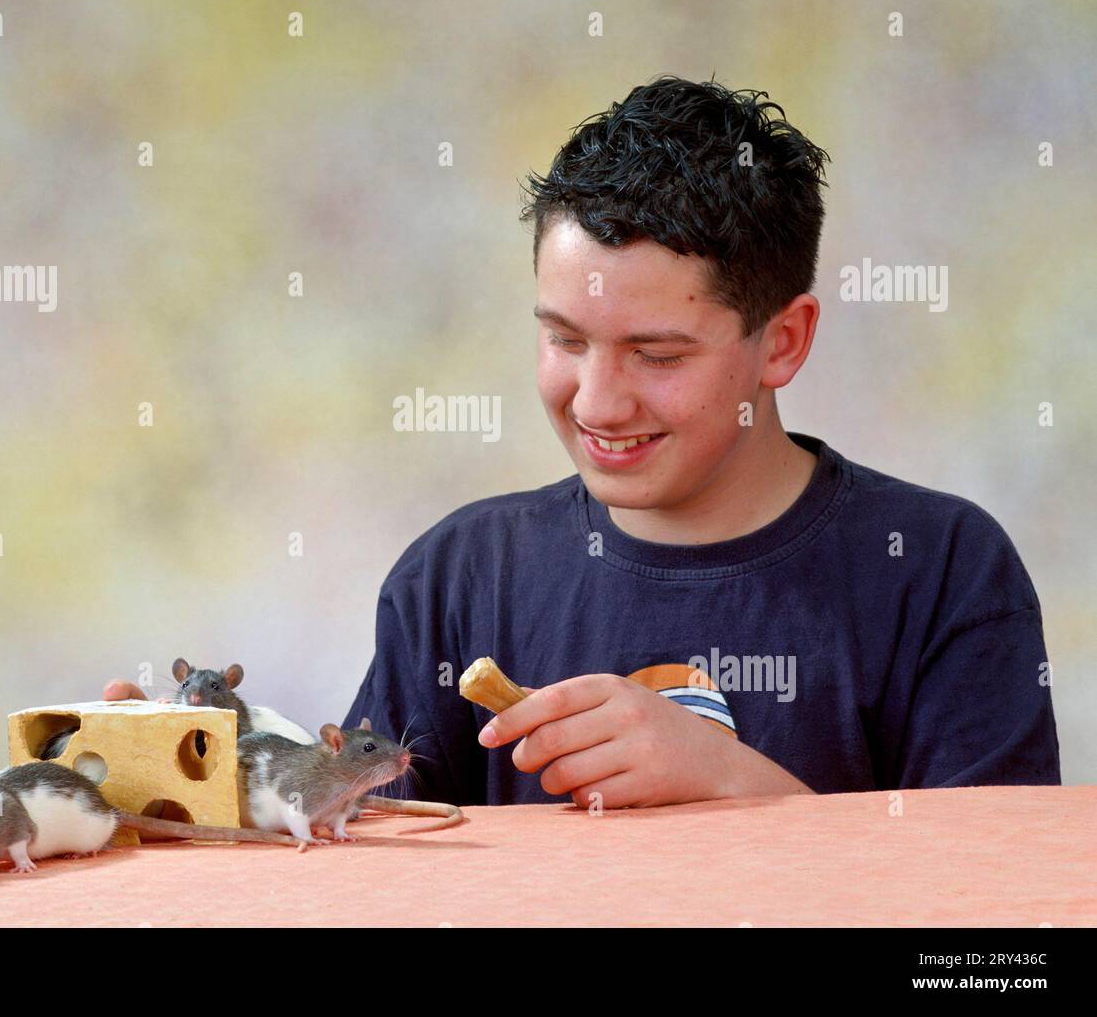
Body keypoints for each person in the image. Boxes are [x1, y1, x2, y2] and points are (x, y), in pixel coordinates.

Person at [340, 75, 1061, 808]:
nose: (597, 402)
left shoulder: (944, 572)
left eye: (657, 355)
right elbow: (362, 877)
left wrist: (733, 783)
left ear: (782, 341)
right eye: (564, 338)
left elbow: (991, 893)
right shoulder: (457, 581)